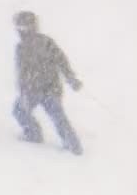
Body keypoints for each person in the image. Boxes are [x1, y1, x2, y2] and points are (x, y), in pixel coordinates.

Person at [12, 11, 84, 155]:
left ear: (33, 26)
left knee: (57, 116)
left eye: (24, 26)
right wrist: (24, 93)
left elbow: (61, 61)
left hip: (47, 89)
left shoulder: (45, 43)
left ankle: (72, 145)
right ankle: (35, 134)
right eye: (19, 26)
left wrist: (71, 78)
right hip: (38, 90)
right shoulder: (23, 47)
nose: (22, 29)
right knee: (19, 110)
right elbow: (22, 73)